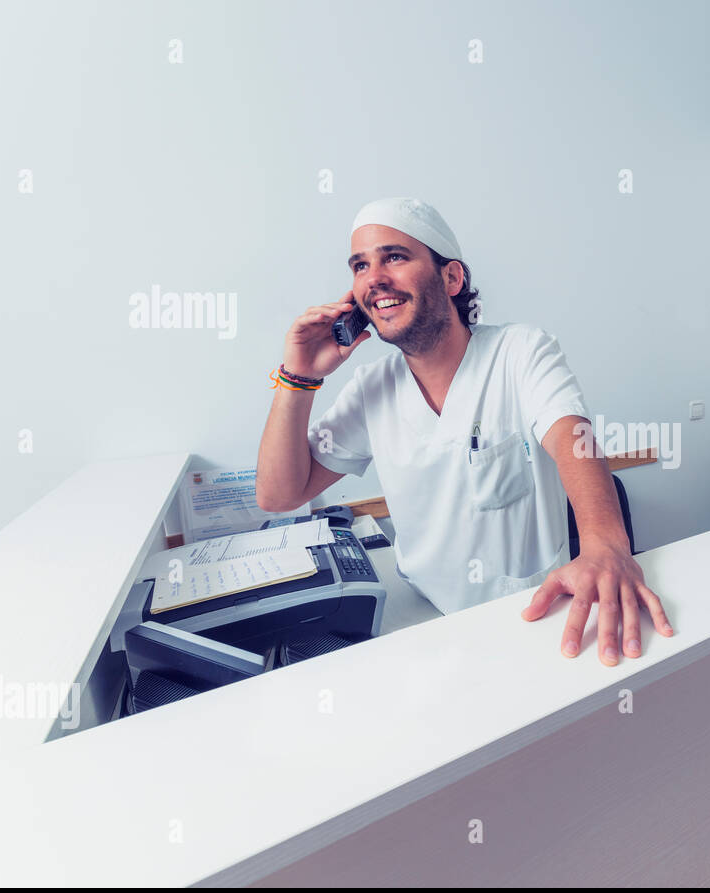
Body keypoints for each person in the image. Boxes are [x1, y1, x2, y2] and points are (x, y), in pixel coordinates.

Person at [256, 197, 673, 666]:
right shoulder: (371, 389)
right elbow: (279, 495)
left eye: (394, 256)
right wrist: (299, 377)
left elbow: (572, 440)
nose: (373, 278)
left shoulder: (521, 352)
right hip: (425, 622)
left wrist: (603, 543)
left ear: (451, 278)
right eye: (359, 265)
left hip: (534, 617)